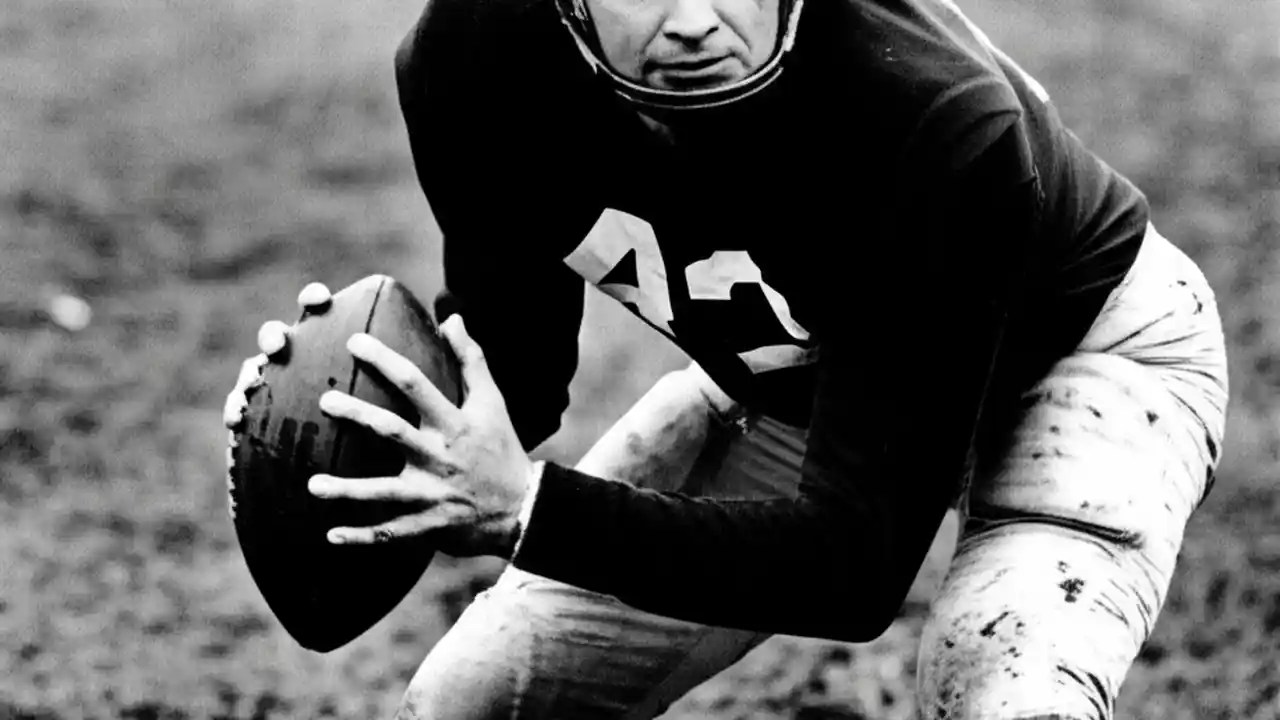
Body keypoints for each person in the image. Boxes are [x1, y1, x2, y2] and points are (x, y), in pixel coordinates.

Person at [223, 0, 1230, 714]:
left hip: (1085, 358)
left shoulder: (931, 115)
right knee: (470, 701)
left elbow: (850, 571)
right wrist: (362, 431)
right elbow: (507, 394)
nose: (698, 18)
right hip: (802, 386)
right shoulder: (470, 59)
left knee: (1002, 690)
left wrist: (530, 512)